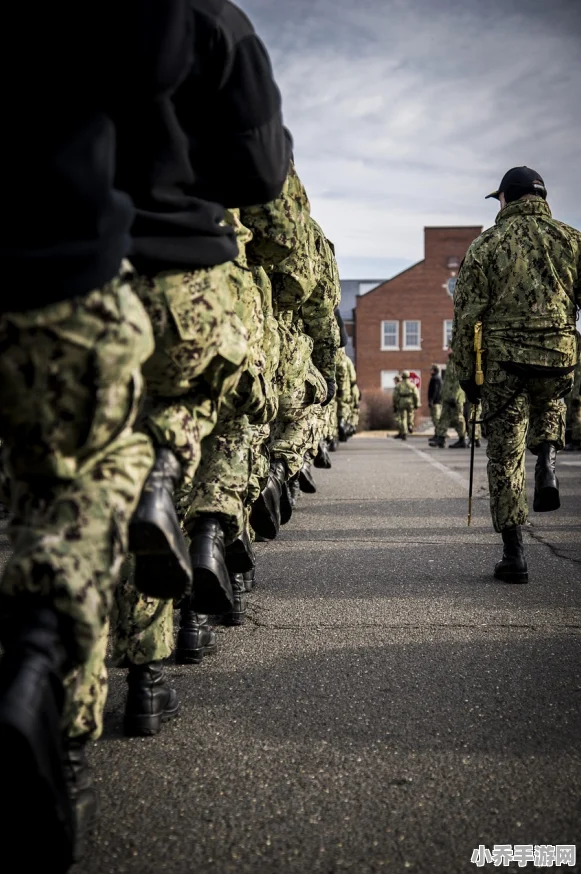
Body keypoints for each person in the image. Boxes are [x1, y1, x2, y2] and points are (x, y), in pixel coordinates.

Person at [0, 3, 192, 868]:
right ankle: (65, 690)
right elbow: (151, 57)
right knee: (108, 464)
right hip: (57, 262)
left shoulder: (490, 250)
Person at [452, 166, 581, 583]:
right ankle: (547, 458)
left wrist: (467, 377)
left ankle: (515, 555)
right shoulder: (573, 240)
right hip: (559, 353)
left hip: (504, 361)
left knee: (505, 456)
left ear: (506, 199)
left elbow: (467, 316)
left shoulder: (486, 245)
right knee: (552, 398)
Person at [429, 353, 468, 448]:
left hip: (455, 398)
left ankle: (462, 439)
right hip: (447, 397)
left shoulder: (458, 361)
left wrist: (455, 397)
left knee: (458, 419)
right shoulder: (450, 362)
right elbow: (447, 382)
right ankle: (441, 438)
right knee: (444, 417)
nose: (447, 349)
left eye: (449, 347)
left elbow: (458, 381)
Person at [392, 371, 420, 440]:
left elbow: (395, 396)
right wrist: (417, 403)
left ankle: (404, 432)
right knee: (411, 414)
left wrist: (395, 404)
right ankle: (410, 425)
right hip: (410, 401)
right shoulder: (412, 385)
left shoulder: (399, 385)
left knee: (403, 417)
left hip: (402, 401)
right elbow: (416, 395)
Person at [427, 365, 443, 435]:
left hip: (436, 402)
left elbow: (435, 391)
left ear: (434, 370)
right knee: (435, 419)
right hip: (436, 401)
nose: (430, 371)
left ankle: (439, 434)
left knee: (436, 419)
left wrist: (431, 400)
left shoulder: (435, 378)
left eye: (431, 370)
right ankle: (437, 434)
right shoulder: (437, 378)